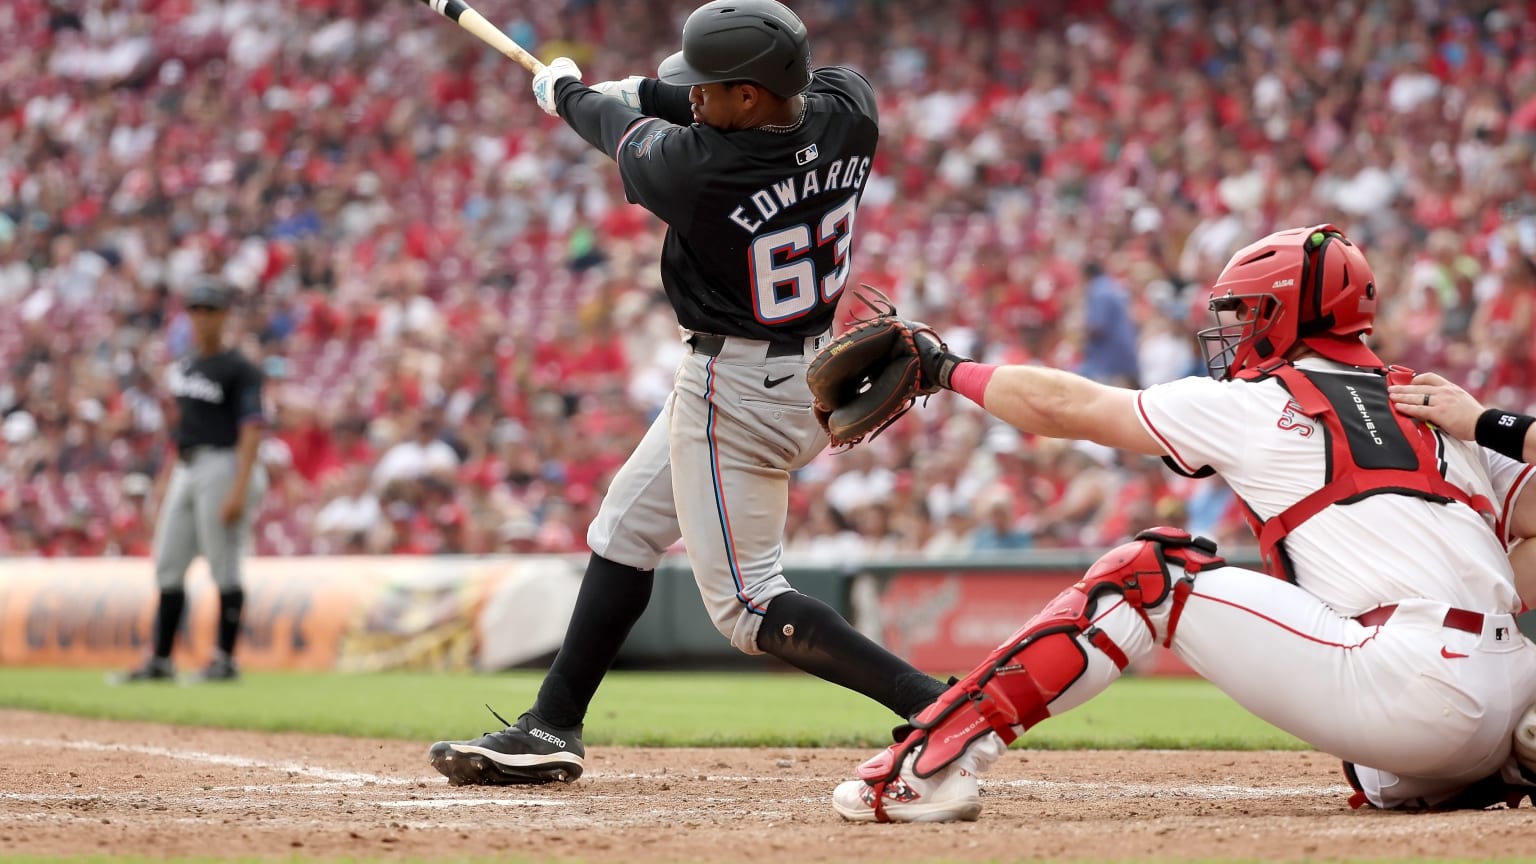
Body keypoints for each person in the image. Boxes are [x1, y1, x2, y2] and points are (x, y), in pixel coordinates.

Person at [828, 224, 1536, 823]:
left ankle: (925, 766)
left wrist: (945, 369)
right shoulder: (1442, 409)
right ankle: (1510, 751)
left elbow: (1064, 406)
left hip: (1409, 691)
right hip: (1513, 684)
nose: (1234, 331)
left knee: (1150, 574)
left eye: (1246, 313)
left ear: (1284, 316)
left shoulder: (1258, 401)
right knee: (1389, 766)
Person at [427, 0, 947, 785]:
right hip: (806, 372)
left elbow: (616, 133)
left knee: (747, 604)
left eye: (710, 87)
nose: (694, 96)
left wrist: (569, 94)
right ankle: (553, 723)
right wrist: (640, 89)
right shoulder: (852, 111)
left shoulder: (699, 171)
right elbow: (711, 110)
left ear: (751, 93)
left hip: (732, 390)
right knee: (625, 531)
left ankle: (934, 702)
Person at [113, 281, 268, 684]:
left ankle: (225, 660)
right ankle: (161, 659)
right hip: (186, 465)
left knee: (223, 561)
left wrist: (240, 487)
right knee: (168, 562)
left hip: (223, 462)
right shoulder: (185, 366)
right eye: (195, 308)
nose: (202, 316)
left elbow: (252, 429)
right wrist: (166, 478)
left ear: (224, 315)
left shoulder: (240, 368)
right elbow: (182, 429)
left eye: (209, 309)